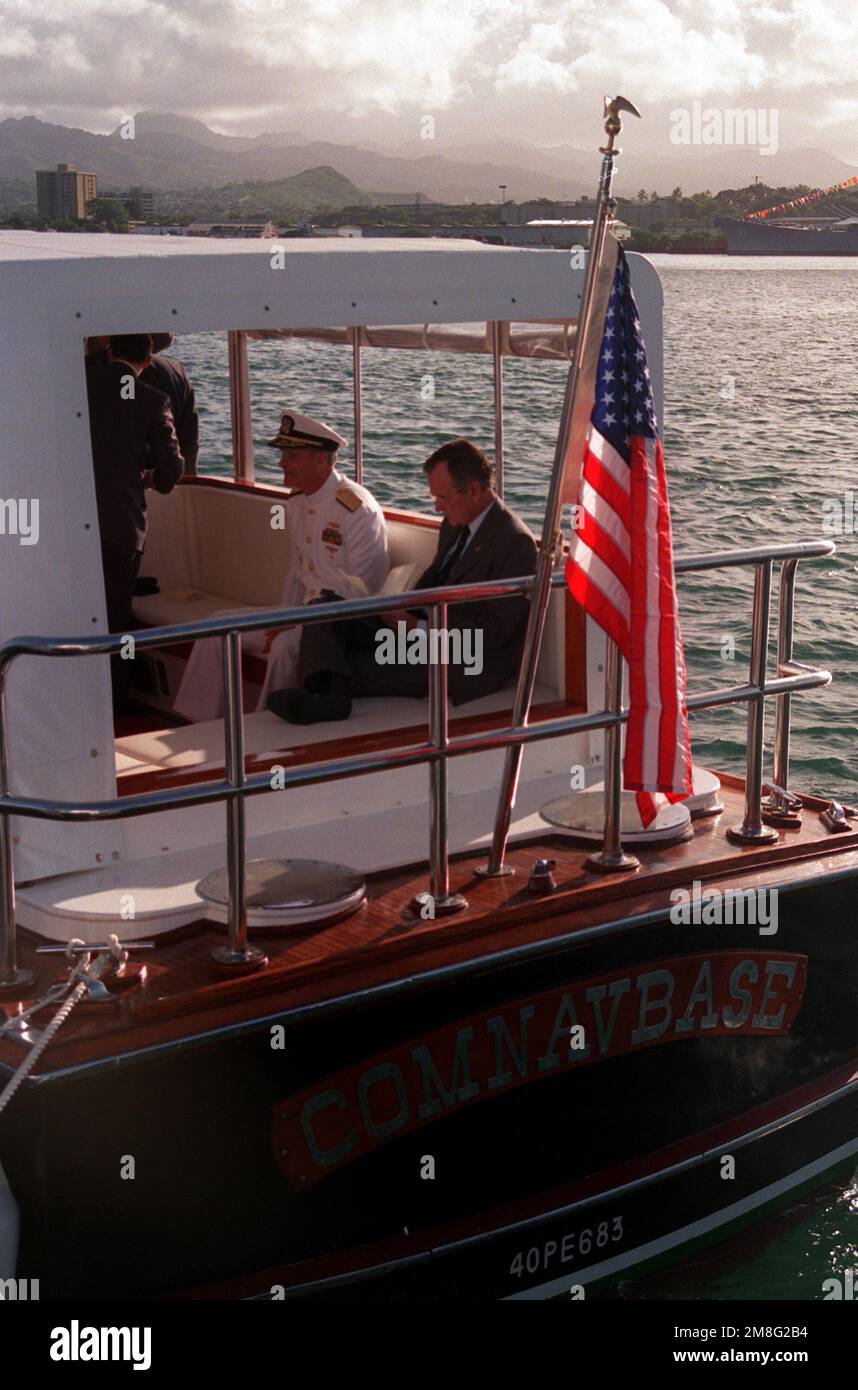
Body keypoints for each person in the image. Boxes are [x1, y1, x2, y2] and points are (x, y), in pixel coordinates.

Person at [273, 439, 537, 722]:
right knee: (326, 610)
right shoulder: (455, 521)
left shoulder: (514, 542)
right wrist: (394, 606)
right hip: (422, 633)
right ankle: (325, 696)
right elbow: (434, 579)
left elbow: (491, 634)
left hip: (464, 657)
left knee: (359, 662)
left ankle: (325, 700)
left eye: (443, 498)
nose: (437, 508)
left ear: (473, 490)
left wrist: (418, 628)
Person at [172, 410, 388, 722]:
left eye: (291, 456)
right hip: (299, 613)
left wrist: (294, 625)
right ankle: (195, 724)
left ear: (323, 460)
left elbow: (362, 591)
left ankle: (267, 730)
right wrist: (287, 616)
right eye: (283, 454)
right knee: (216, 627)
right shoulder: (298, 501)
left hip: (340, 626)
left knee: (285, 646)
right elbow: (297, 573)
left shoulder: (357, 510)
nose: (281, 463)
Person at [86, 333, 185, 710]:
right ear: (148, 360)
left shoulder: (78, 387)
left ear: (109, 349)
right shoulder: (152, 400)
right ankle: (116, 706)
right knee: (115, 622)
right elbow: (172, 470)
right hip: (121, 528)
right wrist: (148, 478)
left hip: (70, 525)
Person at [141, 333, 200, 476]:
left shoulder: (125, 378)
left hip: (135, 481)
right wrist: (188, 477)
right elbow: (189, 440)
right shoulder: (177, 370)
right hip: (174, 478)